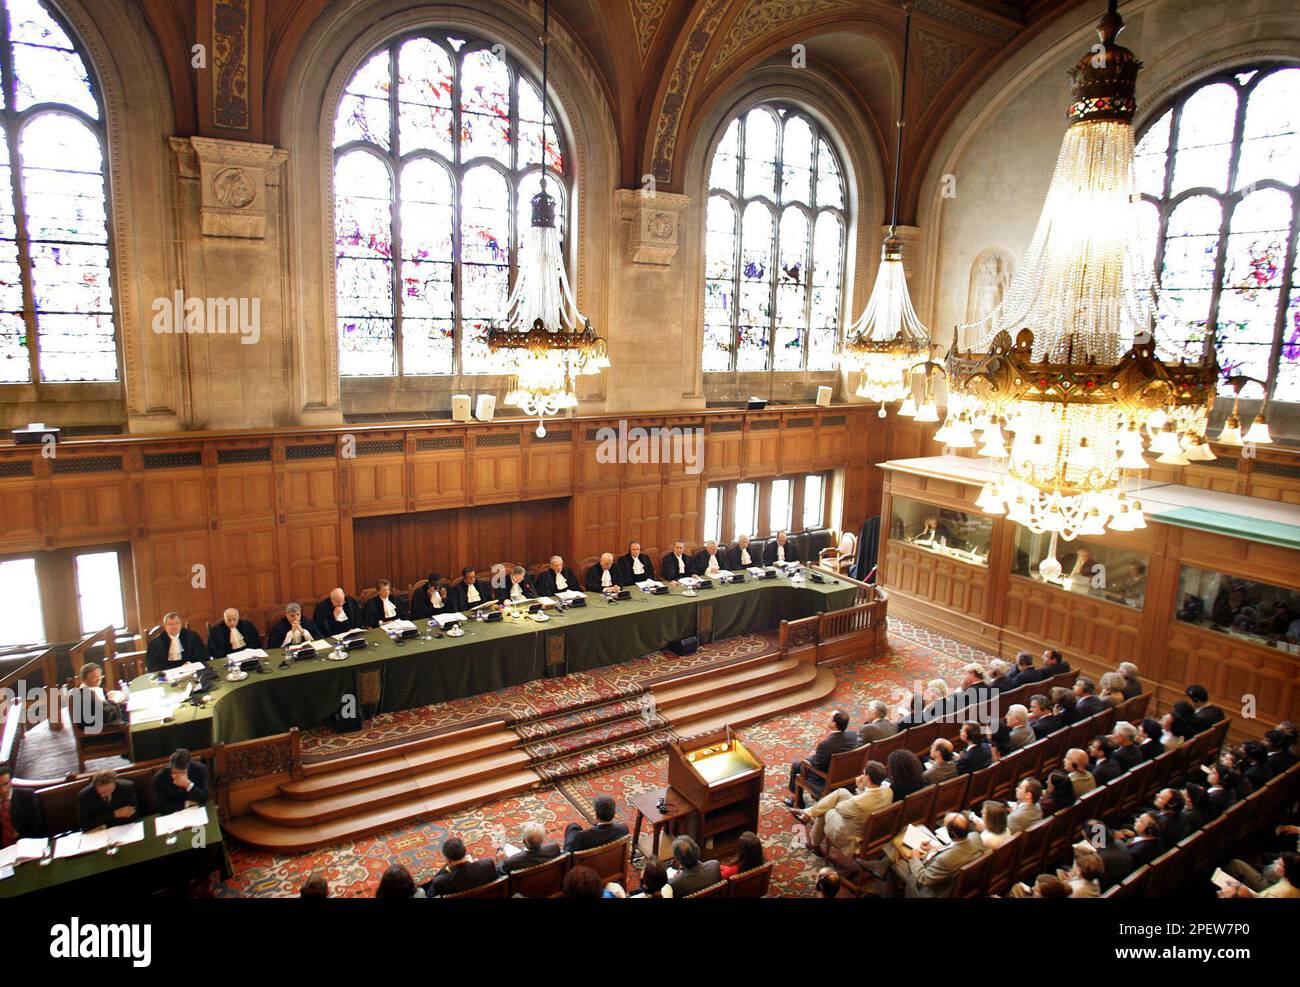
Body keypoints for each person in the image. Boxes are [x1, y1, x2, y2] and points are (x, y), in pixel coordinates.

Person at [792, 760, 893, 858]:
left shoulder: (857, 803)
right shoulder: (888, 791)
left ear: (868, 777)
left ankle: (815, 845)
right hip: (866, 825)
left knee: (826, 810)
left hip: (849, 835)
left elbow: (839, 808)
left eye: (864, 773)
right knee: (842, 792)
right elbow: (867, 801)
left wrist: (860, 789)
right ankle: (808, 812)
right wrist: (862, 790)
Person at [892, 811, 986, 898]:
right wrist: (933, 849)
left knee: (897, 859)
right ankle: (882, 866)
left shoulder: (944, 860)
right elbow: (954, 848)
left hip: (930, 891)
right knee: (919, 828)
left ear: (952, 834)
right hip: (953, 876)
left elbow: (923, 878)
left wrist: (915, 858)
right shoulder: (975, 837)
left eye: (945, 827)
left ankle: (885, 877)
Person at [785, 710, 860, 808]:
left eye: (829, 718)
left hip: (825, 778)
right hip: (847, 774)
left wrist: (811, 756)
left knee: (796, 766)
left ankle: (797, 801)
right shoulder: (853, 736)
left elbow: (816, 765)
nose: (826, 719)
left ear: (833, 724)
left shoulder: (826, 745)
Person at [427, 837, 498, 896]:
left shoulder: (440, 881)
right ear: (465, 851)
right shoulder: (488, 863)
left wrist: (444, 869)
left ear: (447, 859)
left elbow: (429, 895)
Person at [152, 748, 209, 815]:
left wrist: (188, 785)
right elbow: (162, 808)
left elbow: (204, 798)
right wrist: (186, 803)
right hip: (173, 816)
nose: (177, 776)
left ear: (188, 767)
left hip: (196, 813)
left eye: (182, 773)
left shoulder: (200, 769)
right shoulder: (159, 778)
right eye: (174, 772)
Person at [71, 662, 127, 729]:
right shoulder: (85, 694)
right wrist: (114, 700)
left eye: (100, 676)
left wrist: (117, 696)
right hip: (100, 732)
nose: (98, 680)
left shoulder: (95, 689)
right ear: (84, 679)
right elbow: (106, 716)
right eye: (95, 678)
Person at [1221, 852, 1300, 899]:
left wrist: (1245, 893)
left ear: (1287, 870)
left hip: (1257, 894)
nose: (1275, 862)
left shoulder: (1277, 894)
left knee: (1236, 863)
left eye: (1279, 864)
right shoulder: (1292, 880)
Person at [565, 795, 629, 851]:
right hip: (612, 861)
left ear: (596, 815)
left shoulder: (582, 836)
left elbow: (571, 852)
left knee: (572, 827)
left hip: (588, 864)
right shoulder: (624, 829)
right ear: (614, 814)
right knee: (573, 827)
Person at [497, 821, 562, 874]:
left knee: (500, 849)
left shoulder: (511, 861)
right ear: (542, 839)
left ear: (524, 841)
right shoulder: (554, 849)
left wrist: (502, 860)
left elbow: (502, 873)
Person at [0, 767, 41, 847]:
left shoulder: (27, 796)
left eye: (6, 783)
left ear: (11, 781)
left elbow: (36, 827)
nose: (3, 790)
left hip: (26, 845)